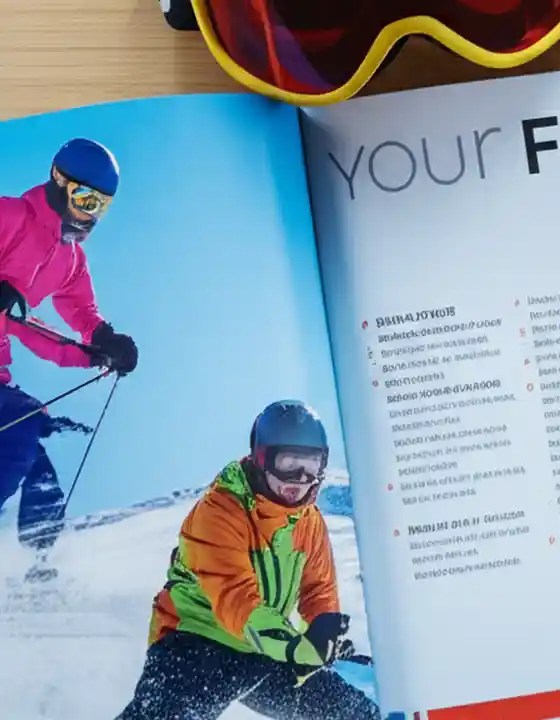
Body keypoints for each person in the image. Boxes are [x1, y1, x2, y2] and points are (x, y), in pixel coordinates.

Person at [116, 400, 379, 720]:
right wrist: (294, 649)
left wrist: (322, 634)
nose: (299, 478)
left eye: (311, 466)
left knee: (354, 713)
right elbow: (237, 602)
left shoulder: (309, 521)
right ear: (263, 457)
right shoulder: (220, 511)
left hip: (266, 648)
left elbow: (318, 590)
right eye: (289, 463)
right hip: (198, 641)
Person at [0, 137, 139, 575]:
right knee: (22, 425)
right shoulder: (11, 217)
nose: (91, 214)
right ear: (59, 182)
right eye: (84, 198)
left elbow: (75, 312)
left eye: (102, 205)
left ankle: (40, 558)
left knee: (28, 437)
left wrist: (102, 344)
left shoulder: (69, 260)